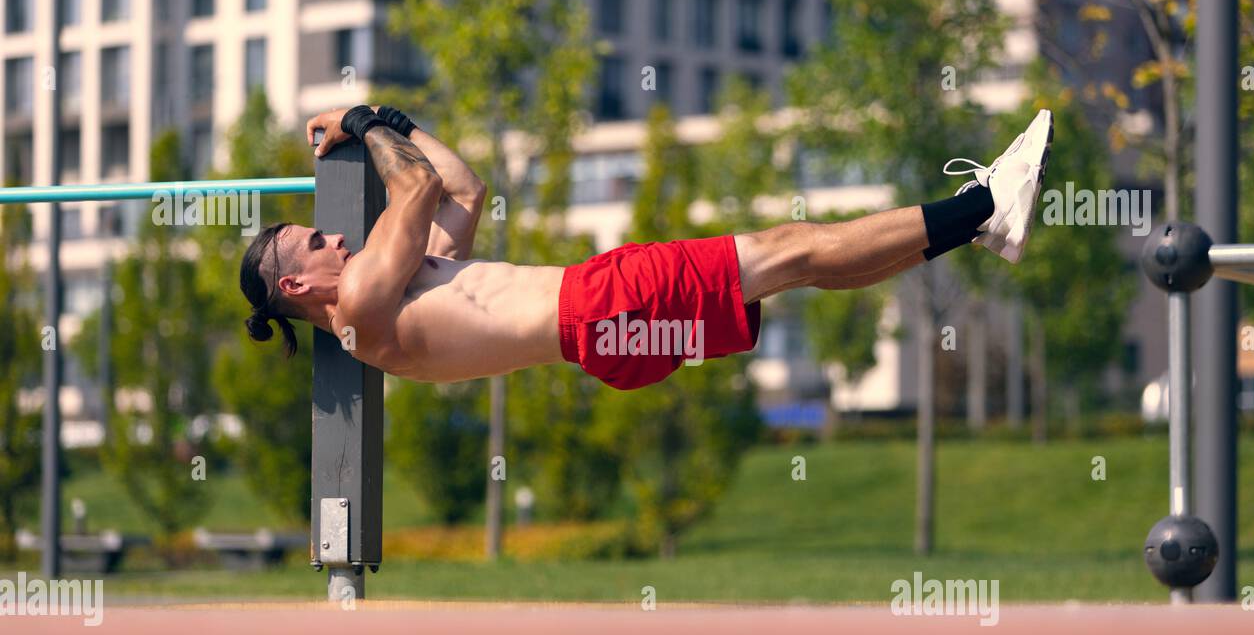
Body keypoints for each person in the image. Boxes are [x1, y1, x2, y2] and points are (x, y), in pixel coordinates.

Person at [241, 105, 1052, 390]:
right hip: (600, 303)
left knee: (795, 264)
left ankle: (979, 224)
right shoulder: (361, 305)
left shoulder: (391, 295)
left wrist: (394, 117)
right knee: (789, 246)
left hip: (605, 336)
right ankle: (983, 201)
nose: (337, 235)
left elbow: (463, 191)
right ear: (296, 289)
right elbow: (415, 191)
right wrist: (361, 124)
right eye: (315, 241)